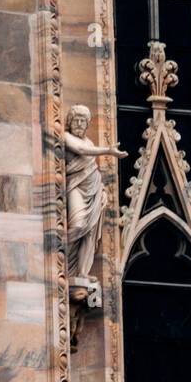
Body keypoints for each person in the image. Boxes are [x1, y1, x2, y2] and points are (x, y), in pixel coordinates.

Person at [64, 104, 125, 278]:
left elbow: (93, 168)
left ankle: (82, 272)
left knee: (90, 233)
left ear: (87, 123)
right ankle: (61, 258)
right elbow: (81, 150)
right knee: (78, 225)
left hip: (94, 188)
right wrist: (108, 150)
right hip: (76, 186)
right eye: (76, 120)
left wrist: (103, 190)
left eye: (83, 121)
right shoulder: (66, 137)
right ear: (70, 121)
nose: (79, 123)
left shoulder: (90, 142)